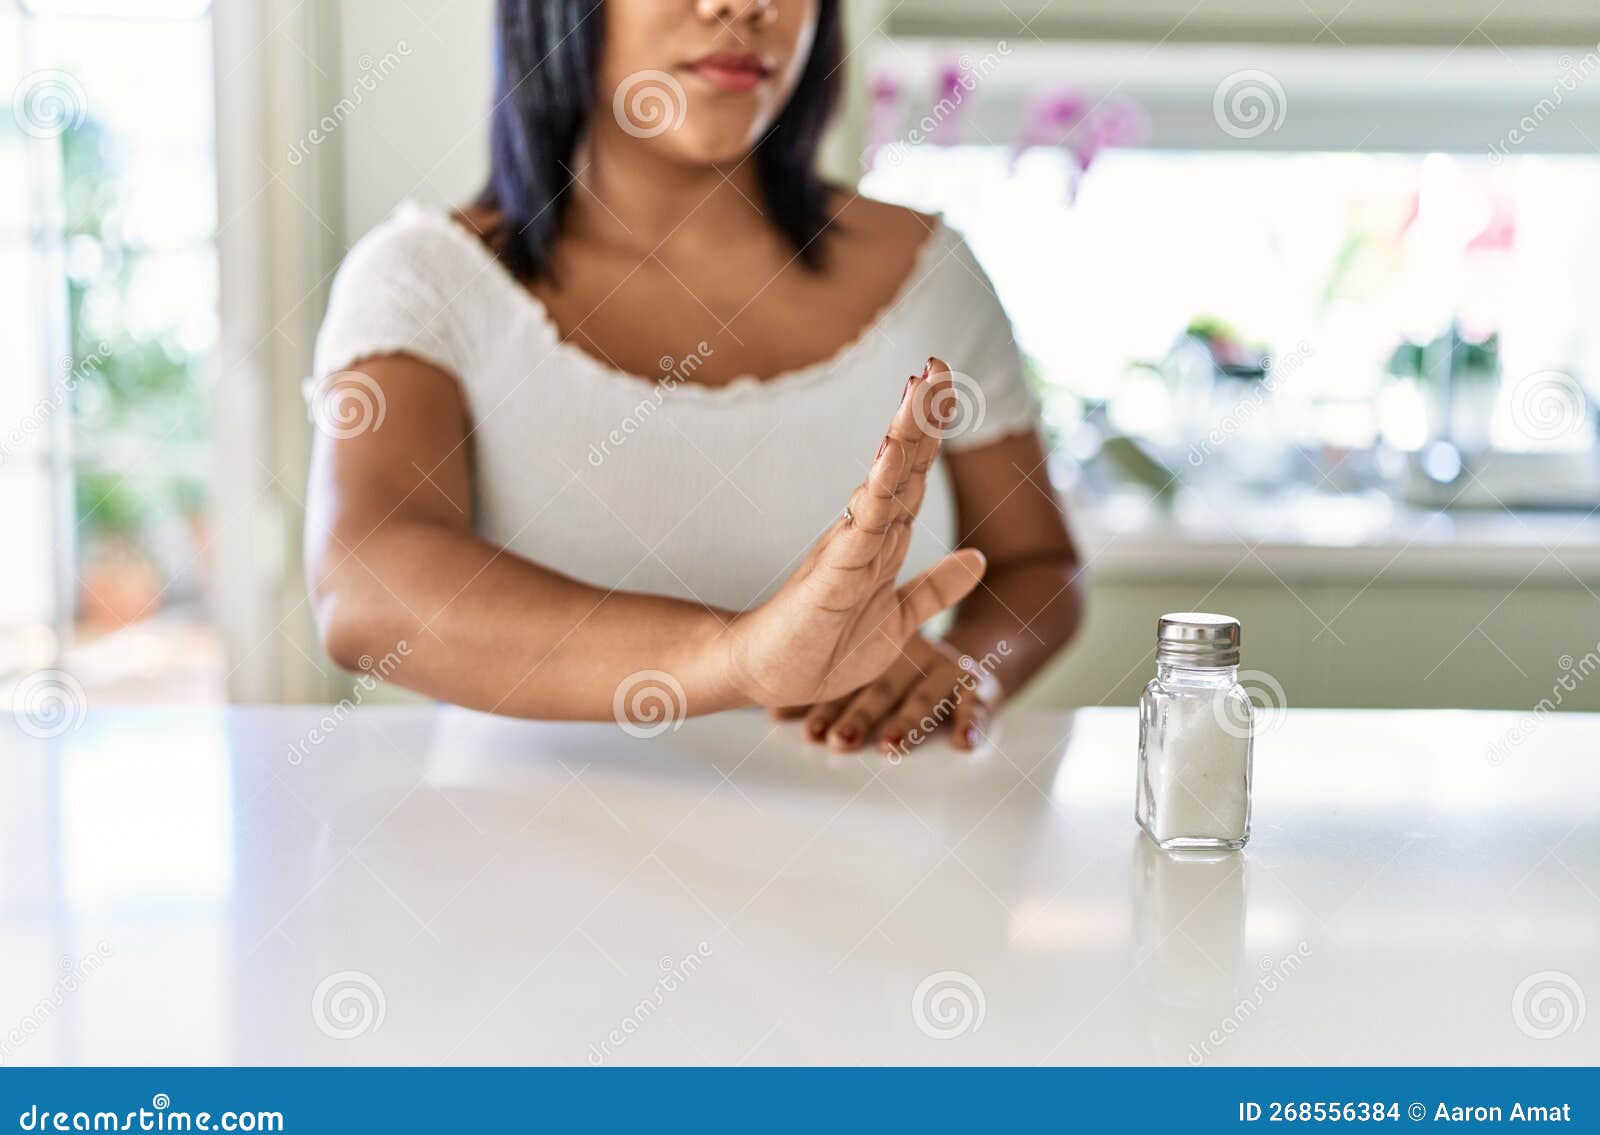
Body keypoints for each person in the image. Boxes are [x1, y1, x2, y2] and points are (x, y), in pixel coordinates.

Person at [305, 0, 1082, 755]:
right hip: (524, 861)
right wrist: (743, 658)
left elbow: (1038, 567)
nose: (740, 7)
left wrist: (971, 667)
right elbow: (366, 588)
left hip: (879, 864)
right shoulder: (422, 278)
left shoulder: (930, 271)